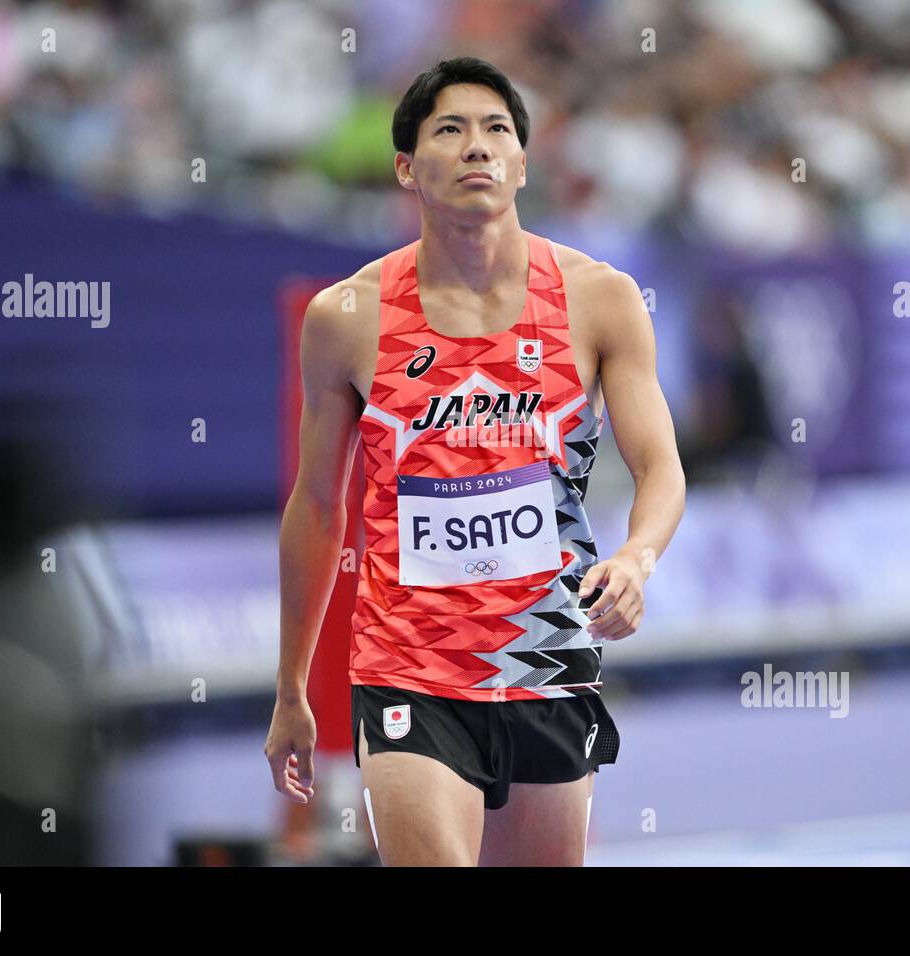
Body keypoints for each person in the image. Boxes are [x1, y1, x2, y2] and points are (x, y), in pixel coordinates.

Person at [265, 56, 685, 866]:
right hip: (408, 667)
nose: (476, 148)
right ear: (406, 167)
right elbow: (316, 506)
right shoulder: (347, 319)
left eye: (496, 131)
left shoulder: (599, 299)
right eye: (449, 131)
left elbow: (659, 466)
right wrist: (290, 687)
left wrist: (638, 558)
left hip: (546, 656)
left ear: (523, 163)